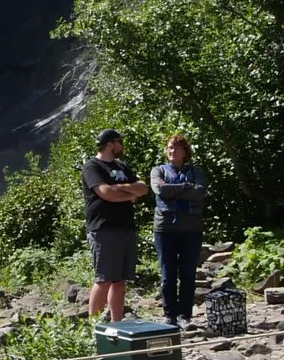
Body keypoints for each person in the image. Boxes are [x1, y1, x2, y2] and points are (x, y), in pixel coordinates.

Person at [81, 129, 150, 321]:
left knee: (119, 281)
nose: (122, 146)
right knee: (104, 279)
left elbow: (143, 188)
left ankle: (117, 324)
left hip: (126, 228)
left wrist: (120, 188)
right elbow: (105, 193)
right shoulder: (92, 167)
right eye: (119, 142)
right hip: (104, 229)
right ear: (111, 144)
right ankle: (93, 327)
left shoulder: (123, 167)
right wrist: (129, 193)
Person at [150, 135, 207, 325]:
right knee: (168, 275)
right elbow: (160, 190)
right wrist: (186, 188)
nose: (172, 152)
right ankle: (169, 315)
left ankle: (185, 316)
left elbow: (199, 193)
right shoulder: (157, 171)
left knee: (188, 275)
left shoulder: (196, 171)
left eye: (176, 148)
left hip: (191, 229)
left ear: (185, 152)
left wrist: (174, 189)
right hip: (165, 229)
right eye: (169, 148)